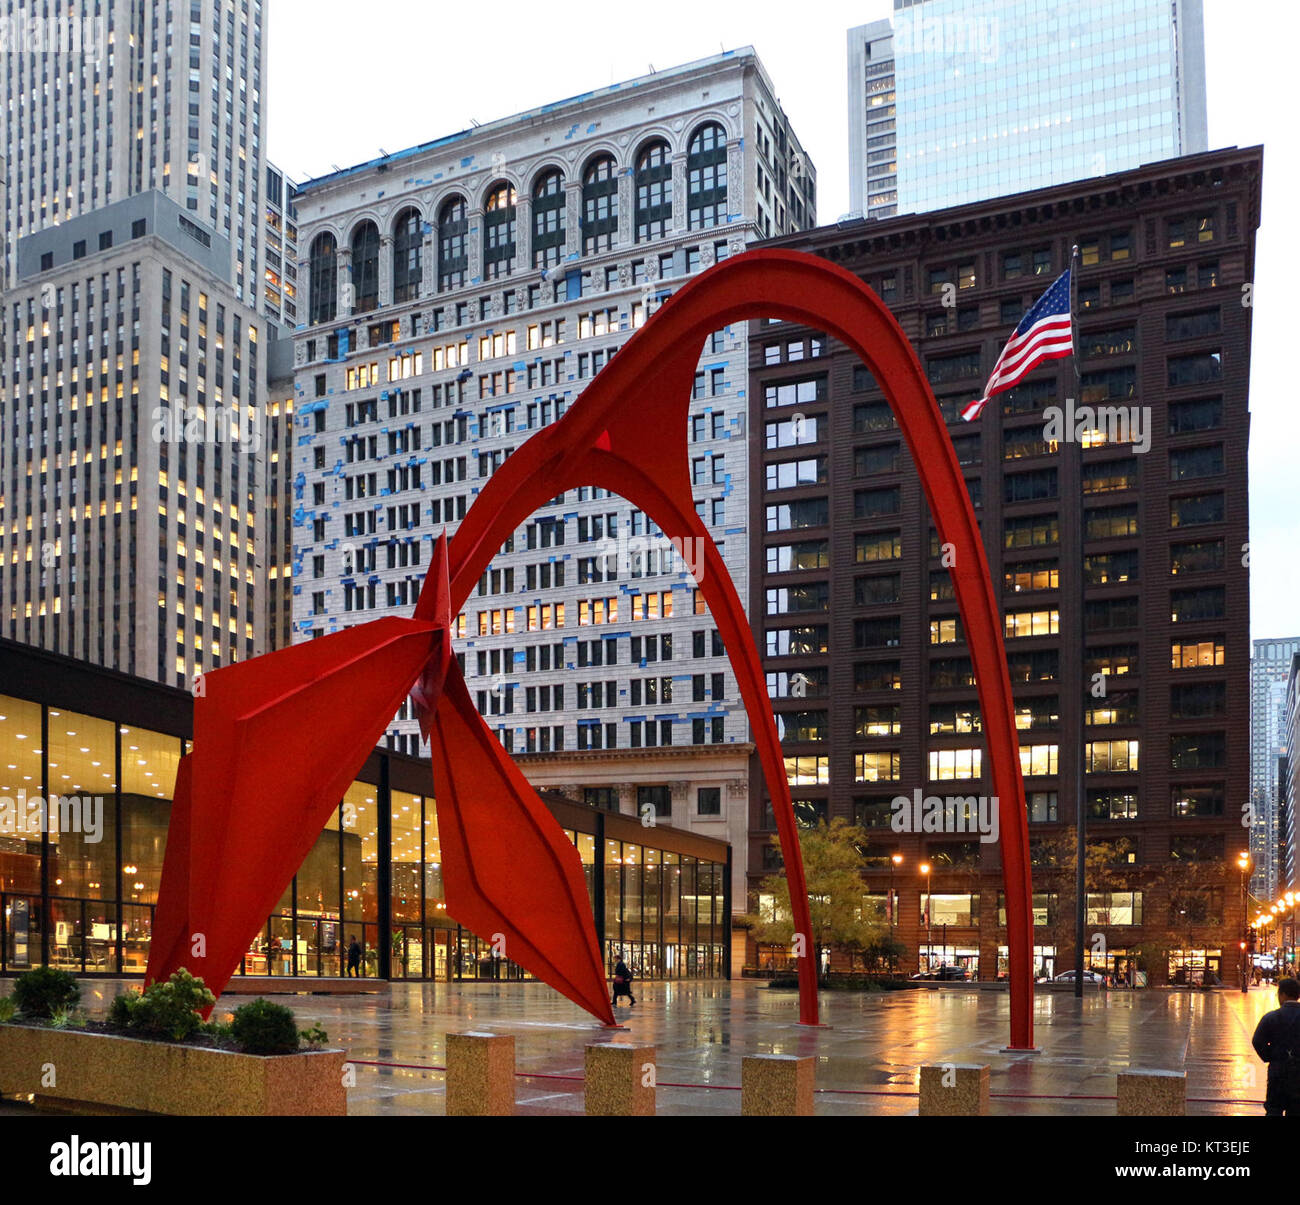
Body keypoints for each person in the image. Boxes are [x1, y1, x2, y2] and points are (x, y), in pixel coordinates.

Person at [1251, 977, 1300, 1116]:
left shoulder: (1271, 1017)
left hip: (1278, 1071)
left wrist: (1270, 1056)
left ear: (1283, 994)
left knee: (1274, 1109)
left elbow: (1257, 1041)